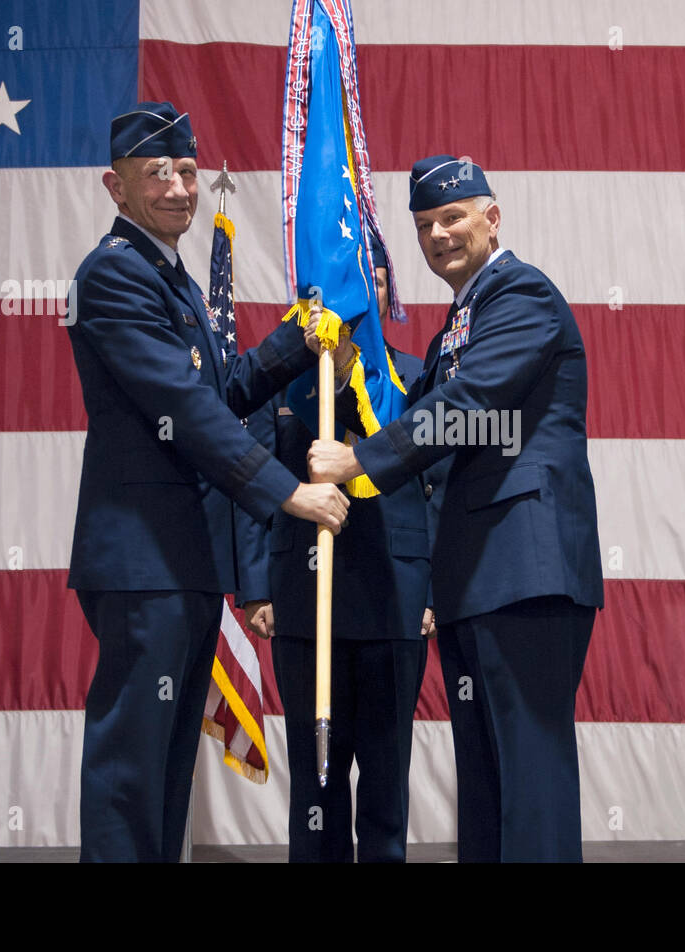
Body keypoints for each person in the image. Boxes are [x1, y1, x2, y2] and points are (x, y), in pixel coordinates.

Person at [65, 101, 348, 862]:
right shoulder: (114, 274)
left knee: (163, 770)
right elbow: (183, 408)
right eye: (156, 172)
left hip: (181, 562)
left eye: (188, 170)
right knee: (132, 765)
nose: (179, 187)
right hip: (140, 559)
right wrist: (289, 493)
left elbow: (219, 395)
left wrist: (295, 336)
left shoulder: (174, 281)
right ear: (114, 187)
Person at [308, 155, 604, 862]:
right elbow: (412, 415)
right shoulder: (461, 322)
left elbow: (465, 409)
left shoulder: (521, 296)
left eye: (452, 217)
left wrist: (358, 463)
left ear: (492, 218)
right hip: (478, 579)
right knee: (487, 786)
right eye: (424, 226)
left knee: (529, 781)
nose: (438, 235)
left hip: (526, 573)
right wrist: (342, 360)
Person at [241, 241, 435, 862]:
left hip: (396, 597)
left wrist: (434, 590)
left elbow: (439, 490)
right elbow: (249, 480)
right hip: (303, 601)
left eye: (371, 283)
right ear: (310, 301)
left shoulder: (413, 377)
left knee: (386, 783)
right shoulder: (285, 386)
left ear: (386, 294)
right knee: (317, 788)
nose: (357, 298)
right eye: (341, 288)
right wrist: (256, 586)